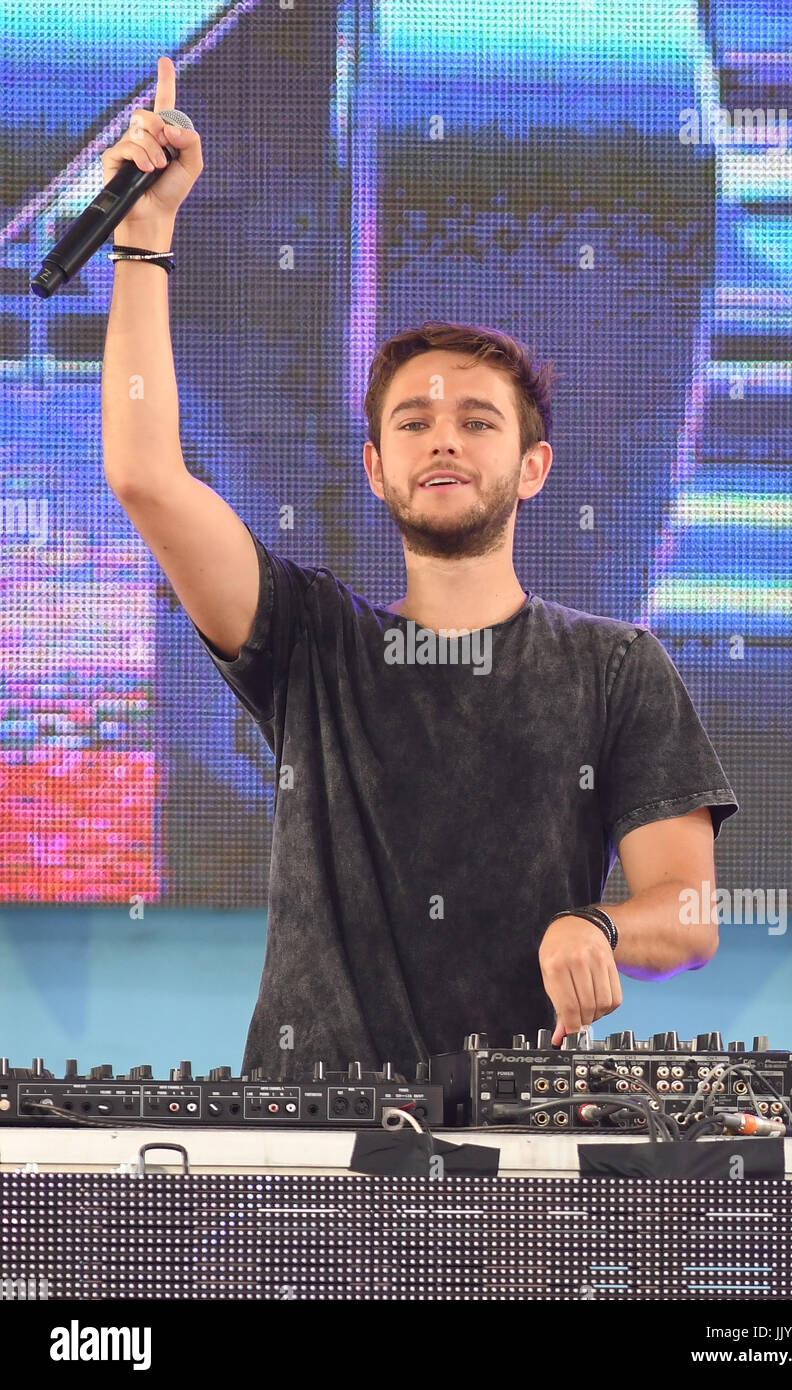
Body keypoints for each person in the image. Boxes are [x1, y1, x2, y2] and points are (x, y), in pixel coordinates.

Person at [102, 58, 738, 1079]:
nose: (444, 440)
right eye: (414, 421)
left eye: (477, 421)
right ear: (376, 466)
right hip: (313, 1176)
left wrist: (603, 928)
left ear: (534, 466)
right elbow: (144, 474)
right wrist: (144, 239)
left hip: (516, 1170)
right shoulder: (309, 640)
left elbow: (691, 909)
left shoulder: (618, 669)